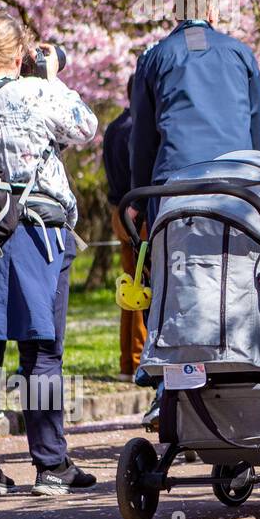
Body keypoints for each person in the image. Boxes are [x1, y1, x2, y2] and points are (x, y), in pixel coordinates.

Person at [130, 0, 260, 429]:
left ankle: (171, 389)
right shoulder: (241, 54)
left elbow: (143, 137)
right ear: (213, 10)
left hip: (173, 189)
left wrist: (137, 195)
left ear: (175, 9)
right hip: (236, 186)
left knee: (172, 286)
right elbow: (256, 132)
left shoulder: (154, 58)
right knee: (237, 279)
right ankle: (241, 371)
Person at [0, 15, 98, 497]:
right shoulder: (34, 92)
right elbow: (85, 126)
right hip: (37, 235)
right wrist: (51, 77)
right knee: (41, 352)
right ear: (17, 55)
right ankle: (51, 464)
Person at [103, 74, 145, 380]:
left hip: (117, 209)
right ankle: (139, 357)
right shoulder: (139, 129)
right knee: (144, 286)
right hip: (137, 210)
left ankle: (127, 360)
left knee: (128, 286)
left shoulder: (114, 127)